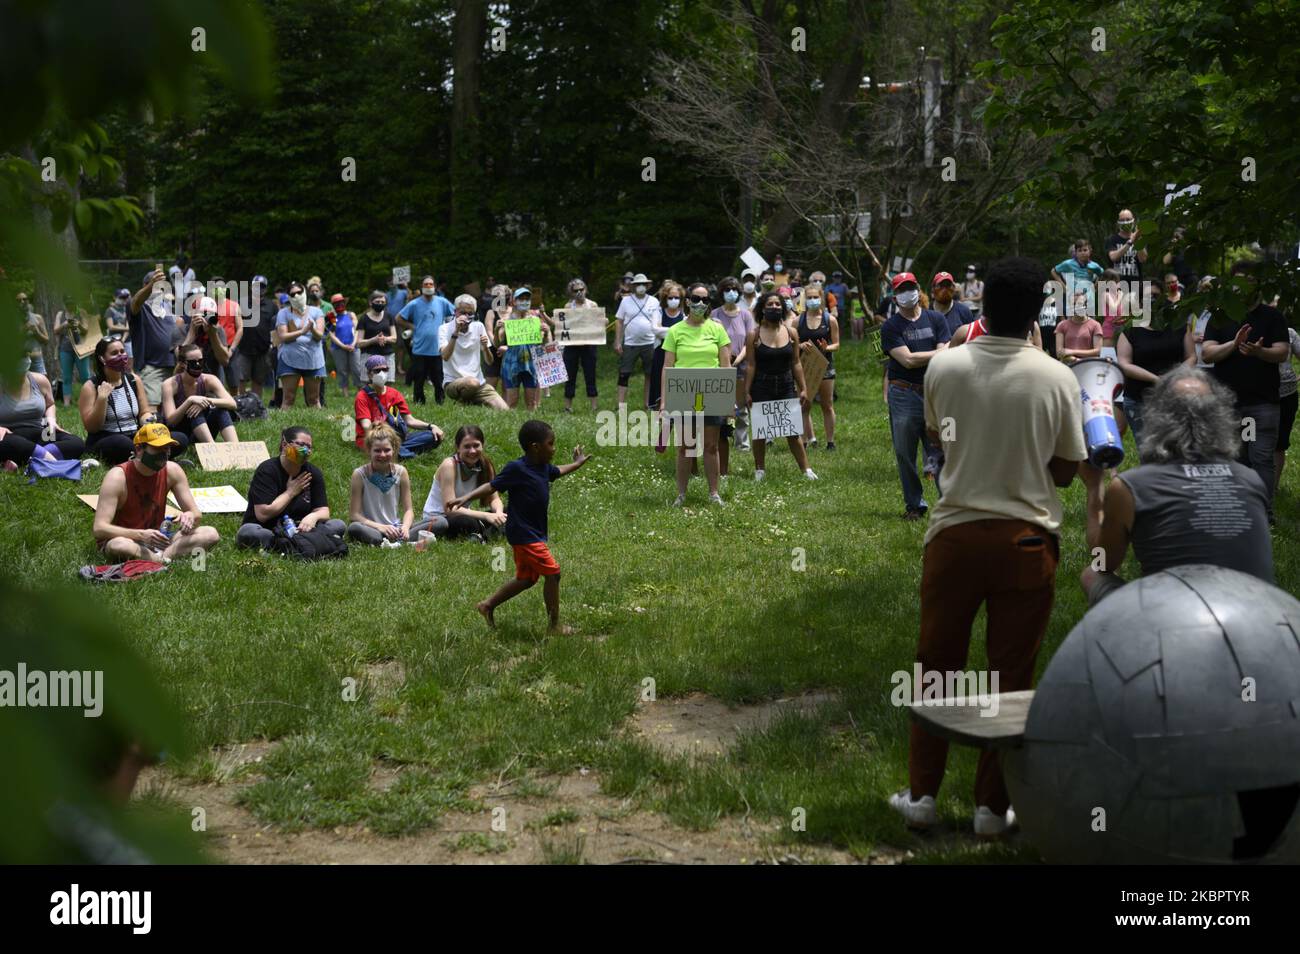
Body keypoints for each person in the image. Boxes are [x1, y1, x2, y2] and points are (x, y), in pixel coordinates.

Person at [889, 257, 1087, 837]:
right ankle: (991, 809)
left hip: (953, 535)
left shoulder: (944, 368)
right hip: (1027, 539)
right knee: (1012, 675)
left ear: (983, 307)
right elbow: (1069, 471)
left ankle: (922, 795)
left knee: (935, 667)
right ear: (1036, 316)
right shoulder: (1057, 377)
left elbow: (938, 439)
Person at [1079, 367, 1272, 607]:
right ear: (1220, 417)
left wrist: (1094, 488)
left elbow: (1103, 563)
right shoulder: (1251, 479)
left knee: (1091, 574)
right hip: (1256, 613)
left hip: (1172, 620)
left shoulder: (1130, 487)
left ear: (1156, 418)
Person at [447, 419, 589, 633]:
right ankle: (554, 626)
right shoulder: (517, 468)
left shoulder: (542, 467)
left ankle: (487, 605)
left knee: (526, 578)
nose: (554, 448)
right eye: (551, 444)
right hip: (525, 534)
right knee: (553, 573)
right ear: (536, 447)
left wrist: (577, 464)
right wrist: (465, 496)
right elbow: (491, 486)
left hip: (533, 533)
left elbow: (557, 471)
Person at [1201, 259, 1290, 521]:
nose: (1246, 285)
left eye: (1251, 280)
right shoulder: (1221, 314)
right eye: (1241, 280)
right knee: (1235, 460)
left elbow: (1282, 352)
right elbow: (1207, 353)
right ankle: (1239, 508)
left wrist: (1259, 351)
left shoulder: (1273, 316)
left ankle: (1263, 512)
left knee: (1261, 458)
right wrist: (1234, 344)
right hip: (1227, 402)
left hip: (1263, 402)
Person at [92, 423, 219, 562]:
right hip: (127, 539)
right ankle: (161, 560)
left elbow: (196, 514)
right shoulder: (117, 477)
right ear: (139, 449)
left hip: (158, 538)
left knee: (210, 534)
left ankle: (159, 559)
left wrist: (189, 516)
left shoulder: (173, 471)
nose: (164, 454)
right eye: (158, 448)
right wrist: (140, 535)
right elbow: (99, 528)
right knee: (118, 545)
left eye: (167, 448)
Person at [880, 272, 950, 519]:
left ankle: (949, 504)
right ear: (895, 296)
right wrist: (938, 353)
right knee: (905, 452)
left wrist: (938, 353)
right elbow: (907, 360)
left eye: (909, 287)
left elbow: (945, 350)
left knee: (943, 450)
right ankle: (914, 505)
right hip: (904, 394)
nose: (906, 293)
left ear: (918, 289)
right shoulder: (890, 327)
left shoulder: (936, 318)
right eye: (900, 289)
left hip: (935, 393)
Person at [660, 282, 733, 506]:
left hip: (711, 393)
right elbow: (668, 368)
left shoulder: (717, 329)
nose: (700, 303)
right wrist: (664, 401)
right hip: (683, 393)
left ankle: (714, 493)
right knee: (685, 447)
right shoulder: (675, 331)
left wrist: (728, 401)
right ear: (687, 301)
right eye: (695, 298)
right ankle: (681, 494)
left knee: (711, 446)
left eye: (704, 299)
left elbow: (726, 365)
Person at [744, 292, 816, 482]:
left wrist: (803, 388)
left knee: (792, 431)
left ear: (783, 308)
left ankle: (806, 470)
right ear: (762, 308)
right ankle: (760, 470)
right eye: (770, 304)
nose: (774, 307)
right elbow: (750, 365)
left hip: (785, 385)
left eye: (778, 304)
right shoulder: (754, 334)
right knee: (760, 431)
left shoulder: (791, 332)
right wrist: (747, 391)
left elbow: (796, 363)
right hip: (761, 385)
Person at [80, 338, 185, 465]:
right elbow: (92, 428)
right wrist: (102, 399)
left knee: (180, 439)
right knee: (123, 444)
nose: (121, 355)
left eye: (122, 351)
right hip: (108, 439)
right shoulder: (91, 386)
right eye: (114, 353)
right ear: (102, 359)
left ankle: (147, 458)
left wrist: (148, 420)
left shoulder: (133, 380)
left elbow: (144, 412)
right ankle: (156, 458)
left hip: (136, 436)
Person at [237, 426, 346, 549]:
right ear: (285, 445)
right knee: (248, 532)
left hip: (301, 529)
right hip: (269, 529)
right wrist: (290, 492)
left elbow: (324, 511)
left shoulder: (312, 473)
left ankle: (291, 544)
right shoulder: (267, 470)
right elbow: (263, 514)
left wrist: (313, 517)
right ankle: (293, 543)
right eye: (301, 444)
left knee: (338, 525)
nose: (305, 450)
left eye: (309, 447)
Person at [1116, 284, 1195, 449]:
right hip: (1139, 399)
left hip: (1174, 396)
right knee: (1147, 450)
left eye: (1155, 295)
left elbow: (1191, 357)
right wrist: (1155, 379)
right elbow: (1124, 363)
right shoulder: (1130, 329)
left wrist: (1171, 378)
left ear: (1163, 298)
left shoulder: (1179, 326)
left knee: (1176, 448)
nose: (1151, 299)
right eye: (1146, 296)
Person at [419, 425, 507, 540]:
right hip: (441, 518)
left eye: (476, 445)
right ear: (458, 447)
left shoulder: (485, 465)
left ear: (483, 445)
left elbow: (494, 499)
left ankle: (485, 533)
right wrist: (486, 515)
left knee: (510, 510)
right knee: (465, 522)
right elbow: (450, 509)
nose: (472, 451)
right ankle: (490, 532)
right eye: (467, 447)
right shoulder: (449, 465)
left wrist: (498, 514)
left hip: (465, 514)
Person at [0, 356, 85, 470]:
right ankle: (59, 466)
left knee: (75, 443)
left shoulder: (40, 380)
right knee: (10, 443)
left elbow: (50, 404)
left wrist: (51, 420)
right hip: (10, 436)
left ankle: (25, 460)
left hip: (40, 432)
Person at [354, 355, 444, 457]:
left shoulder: (394, 394)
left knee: (433, 436)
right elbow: (366, 427)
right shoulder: (362, 396)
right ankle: (397, 452)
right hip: (372, 438)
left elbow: (410, 421)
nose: (382, 373)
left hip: (395, 437)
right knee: (382, 444)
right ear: (369, 374)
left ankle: (397, 451)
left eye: (385, 369)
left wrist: (431, 426)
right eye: (377, 370)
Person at [346, 424, 417, 546]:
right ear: (369, 450)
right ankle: (391, 539)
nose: (383, 455)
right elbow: (354, 515)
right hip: (372, 528)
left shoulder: (401, 472)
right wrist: (381, 527)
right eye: (377, 451)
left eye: (387, 450)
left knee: (439, 522)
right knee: (354, 528)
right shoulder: (359, 474)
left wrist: (405, 527)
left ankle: (398, 537)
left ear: (394, 449)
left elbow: (409, 510)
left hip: (395, 527)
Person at [161, 343, 240, 446]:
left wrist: (205, 401)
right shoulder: (170, 384)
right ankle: (211, 449)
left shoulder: (209, 379)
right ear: (182, 363)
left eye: (201, 361)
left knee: (220, 410)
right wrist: (190, 400)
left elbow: (232, 403)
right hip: (180, 434)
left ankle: (236, 447)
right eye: (193, 362)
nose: (198, 365)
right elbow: (171, 421)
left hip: (201, 430)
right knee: (194, 409)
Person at [439, 296, 509, 410]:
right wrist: (456, 332)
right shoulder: (444, 328)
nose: (466, 317)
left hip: (479, 384)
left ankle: (469, 400)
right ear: (455, 312)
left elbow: (490, 361)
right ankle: (464, 402)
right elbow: (445, 356)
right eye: (462, 313)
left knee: (505, 410)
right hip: (453, 382)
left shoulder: (478, 326)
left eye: (470, 313)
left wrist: (486, 347)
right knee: (472, 383)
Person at [711, 276, 755, 457]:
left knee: (741, 406)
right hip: (719, 366)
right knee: (721, 405)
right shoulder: (714, 314)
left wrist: (738, 359)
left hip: (741, 365)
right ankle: (721, 439)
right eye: (727, 289)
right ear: (722, 292)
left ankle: (742, 443)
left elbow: (749, 341)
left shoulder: (745, 314)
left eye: (734, 289)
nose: (731, 292)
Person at [397, 274, 455, 405]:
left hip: (437, 349)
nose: (428, 286)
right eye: (426, 284)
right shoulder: (415, 303)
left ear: (434, 287)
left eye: (431, 284)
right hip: (419, 349)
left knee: (438, 379)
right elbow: (398, 318)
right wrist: (411, 326)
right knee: (419, 379)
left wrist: (449, 327)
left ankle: (440, 401)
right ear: (421, 287)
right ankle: (419, 401)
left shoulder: (442, 302)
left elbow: (455, 314)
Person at [795, 282, 840, 451]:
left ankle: (830, 442)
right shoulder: (797, 321)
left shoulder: (830, 320)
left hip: (825, 366)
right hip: (805, 367)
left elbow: (836, 344)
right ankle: (805, 441)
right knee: (804, 405)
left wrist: (826, 347)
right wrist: (800, 346)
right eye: (810, 297)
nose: (813, 300)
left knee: (827, 405)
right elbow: (792, 343)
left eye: (816, 297)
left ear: (821, 298)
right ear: (804, 299)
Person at [274, 280, 326, 408]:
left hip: (313, 360)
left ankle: (319, 426)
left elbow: (319, 336)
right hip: (289, 359)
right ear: (289, 297)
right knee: (288, 399)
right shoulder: (283, 313)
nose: (296, 296)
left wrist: (312, 328)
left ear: (304, 292)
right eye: (292, 294)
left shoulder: (316, 312)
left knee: (314, 399)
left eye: (299, 292)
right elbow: (283, 336)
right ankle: (282, 427)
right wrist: (302, 331)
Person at [497, 287, 551, 411]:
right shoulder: (507, 321)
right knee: (511, 402)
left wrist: (547, 333)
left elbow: (543, 345)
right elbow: (497, 343)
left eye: (527, 299)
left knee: (532, 403)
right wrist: (496, 330)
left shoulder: (535, 321)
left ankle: (532, 428)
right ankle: (509, 428)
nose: (524, 302)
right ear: (514, 301)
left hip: (530, 364)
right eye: (521, 299)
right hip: (511, 364)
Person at [614, 272, 662, 409]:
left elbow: (658, 321)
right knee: (624, 374)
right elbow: (619, 321)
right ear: (633, 286)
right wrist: (618, 341)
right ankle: (621, 405)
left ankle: (647, 403)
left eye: (643, 284)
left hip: (650, 343)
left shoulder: (654, 301)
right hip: (630, 343)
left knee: (650, 374)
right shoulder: (626, 301)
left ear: (647, 286)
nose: (641, 287)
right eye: (638, 284)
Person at [559, 278, 600, 413]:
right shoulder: (568, 306)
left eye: (581, 290)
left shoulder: (592, 305)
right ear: (571, 292)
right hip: (572, 345)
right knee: (570, 375)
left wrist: (603, 321)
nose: (579, 292)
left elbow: (598, 322)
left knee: (590, 374)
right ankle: (567, 406)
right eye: (575, 290)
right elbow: (562, 325)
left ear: (585, 290)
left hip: (589, 345)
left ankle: (594, 407)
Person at [233, 275, 274, 397]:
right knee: (240, 379)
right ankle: (240, 405)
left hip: (263, 350)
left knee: (258, 380)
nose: (259, 289)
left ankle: (256, 406)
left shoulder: (271, 306)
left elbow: (275, 327)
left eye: (262, 287)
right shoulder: (241, 303)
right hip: (243, 349)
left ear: (265, 289)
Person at [648, 281, 685, 412]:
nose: (674, 300)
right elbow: (655, 329)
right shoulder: (658, 312)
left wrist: (666, 331)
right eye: (670, 297)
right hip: (661, 352)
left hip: (679, 353)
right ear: (665, 298)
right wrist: (676, 332)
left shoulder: (683, 315)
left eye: (677, 297)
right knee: (658, 380)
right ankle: (659, 408)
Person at [180, 295, 233, 388]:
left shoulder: (218, 330)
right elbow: (179, 359)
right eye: (204, 314)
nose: (207, 318)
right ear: (193, 314)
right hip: (187, 385)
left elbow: (225, 361)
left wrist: (213, 335)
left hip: (212, 385)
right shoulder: (182, 330)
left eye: (211, 314)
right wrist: (192, 333)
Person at [1051, 239, 1104, 320]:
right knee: (1072, 324)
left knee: (1090, 323)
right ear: (1075, 253)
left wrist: (1095, 286)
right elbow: (1054, 271)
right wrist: (1063, 286)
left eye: (1085, 250)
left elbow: (1102, 274)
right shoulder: (1068, 264)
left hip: (1088, 300)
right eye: (1079, 251)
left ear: (1090, 251)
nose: (1083, 252)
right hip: (1073, 300)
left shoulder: (1094, 266)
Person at [53, 301, 93, 407]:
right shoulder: (60, 314)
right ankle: (67, 404)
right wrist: (64, 325)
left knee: (85, 376)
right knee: (66, 377)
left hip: (81, 349)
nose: (70, 305)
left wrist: (78, 324)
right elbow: (55, 330)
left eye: (72, 303)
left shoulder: (81, 313)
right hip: (65, 349)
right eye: (68, 303)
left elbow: (86, 330)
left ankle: (88, 400)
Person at [1276, 326, 1300, 494]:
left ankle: (1274, 487)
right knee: (1250, 440)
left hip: (1286, 395)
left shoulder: (1289, 332)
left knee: (1280, 444)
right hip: (1256, 397)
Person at [324, 293, 361, 399]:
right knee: (342, 371)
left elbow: (357, 330)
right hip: (338, 348)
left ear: (344, 302)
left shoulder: (351, 315)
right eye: (336, 303)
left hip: (354, 346)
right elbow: (332, 335)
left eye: (341, 302)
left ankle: (360, 392)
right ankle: (345, 394)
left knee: (357, 369)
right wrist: (343, 346)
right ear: (333, 305)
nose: (339, 305)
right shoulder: (332, 317)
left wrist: (353, 344)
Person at [1054, 290, 1103, 365]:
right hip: (1068, 366)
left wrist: (1073, 352)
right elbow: (1059, 352)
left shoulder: (1095, 325)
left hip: (1088, 366)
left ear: (1086, 305)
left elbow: (1098, 351)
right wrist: (1072, 359)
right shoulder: (1062, 325)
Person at [356, 288, 397, 376]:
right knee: (369, 385)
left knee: (388, 383)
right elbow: (359, 343)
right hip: (368, 356)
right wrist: (373, 340)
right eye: (377, 302)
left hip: (387, 355)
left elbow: (394, 338)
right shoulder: (363, 319)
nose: (380, 304)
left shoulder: (389, 316)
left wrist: (384, 338)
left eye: (383, 302)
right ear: (371, 303)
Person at [480, 284, 510, 394]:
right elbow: (489, 332)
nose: (497, 298)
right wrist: (497, 344)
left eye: (500, 295)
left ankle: (506, 406)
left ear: (507, 296)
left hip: (510, 349)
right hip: (494, 350)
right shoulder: (491, 312)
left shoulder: (513, 312)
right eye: (494, 295)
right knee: (491, 382)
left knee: (507, 381)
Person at [1105, 209, 1147, 283]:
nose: (1125, 222)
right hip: (1115, 283)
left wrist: (1138, 240)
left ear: (1133, 221)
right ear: (1118, 223)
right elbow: (1113, 257)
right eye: (1122, 220)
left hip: (1135, 284)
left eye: (1128, 219)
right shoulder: (1112, 239)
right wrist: (1130, 242)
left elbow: (1143, 259)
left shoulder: (1140, 239)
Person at [18, 292, 49, 375]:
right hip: (21, 359)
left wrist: (37, 332)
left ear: (28, 301)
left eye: (24, 299)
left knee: (41, 385)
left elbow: (47, 340)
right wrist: (24, 330)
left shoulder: (37, 318)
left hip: (37, 359)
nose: (22, 302)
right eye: (19, 300)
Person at [104, 289, 131, 357]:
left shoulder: (127, 309)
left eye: (124, 298)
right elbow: (111, 327)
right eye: (121, 297)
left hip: (127, 341)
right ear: (114, 297)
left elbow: (128, 327)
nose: (123, 299)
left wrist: (123, 340)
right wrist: (125, 328)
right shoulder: (109, 310)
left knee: (130, 362)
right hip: (113, 342)